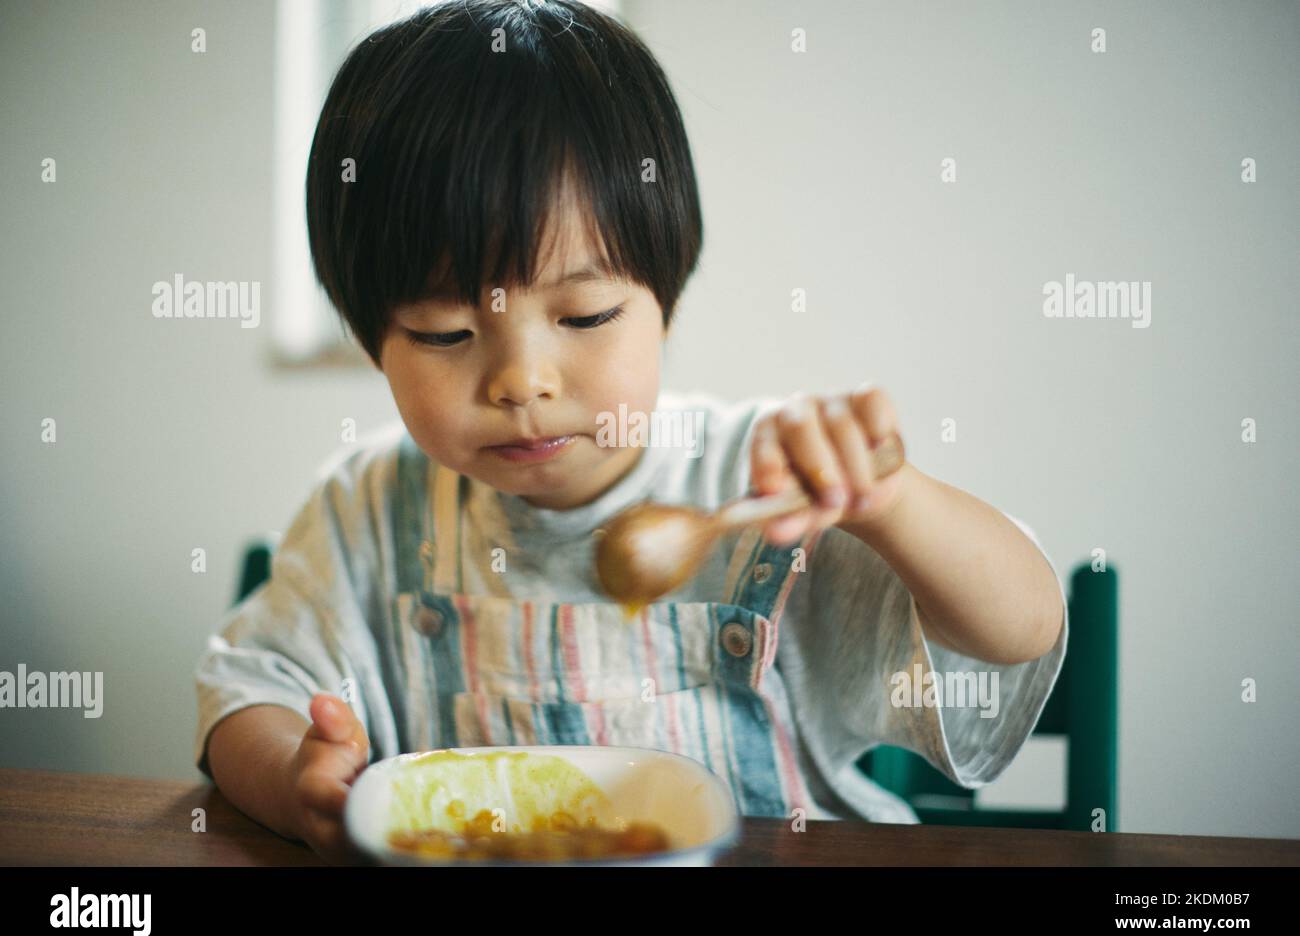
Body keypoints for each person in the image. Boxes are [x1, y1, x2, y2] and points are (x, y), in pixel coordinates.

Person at [195, 0, 1067, 864]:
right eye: (445, 334)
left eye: (584, 314)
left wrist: (890, 501)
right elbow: (244, 690)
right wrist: (298, 780)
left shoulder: (771, 483)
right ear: (369, 339)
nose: (521, 381)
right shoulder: (368, 513)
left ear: (667, 300)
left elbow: (1018, 628)